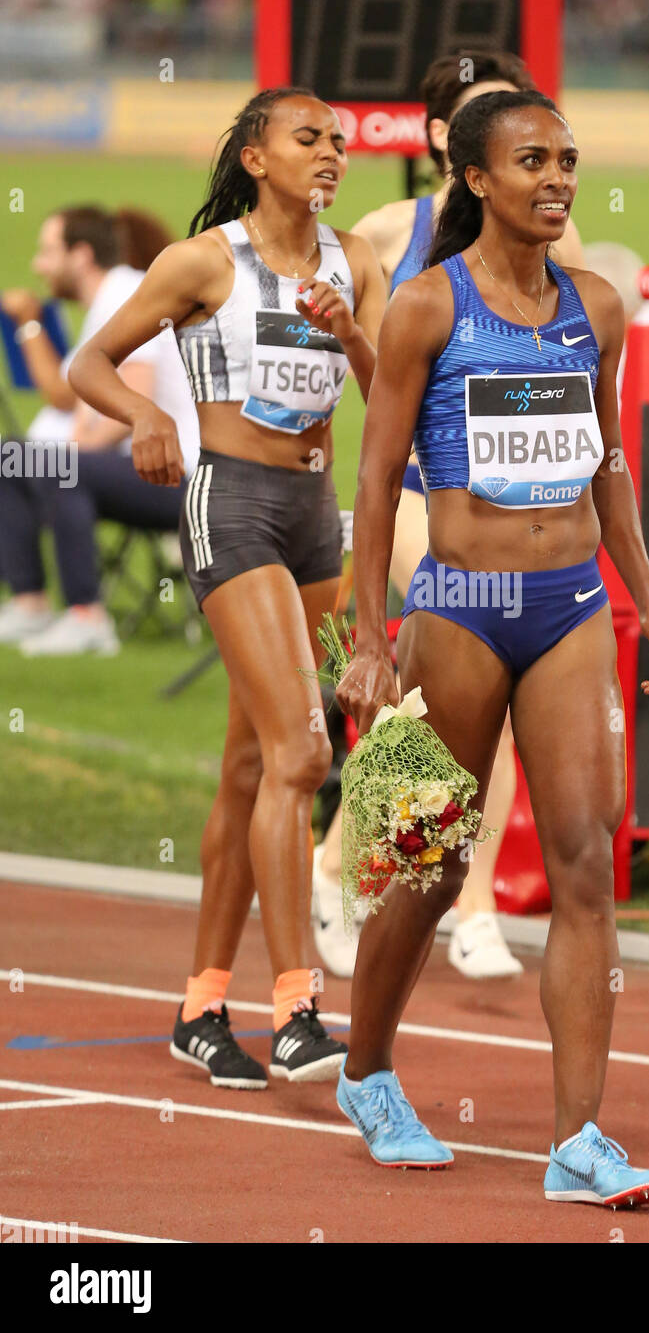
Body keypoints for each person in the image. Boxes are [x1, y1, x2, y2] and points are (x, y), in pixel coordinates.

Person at [332, 89, 649, 1205]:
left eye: (568, 159)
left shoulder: (597, 306)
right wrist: (364, 636)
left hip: (571, 604)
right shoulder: (427, 309)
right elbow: (377, 475)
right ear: (474, 178)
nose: (557, 178)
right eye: (532, 159)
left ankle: (577, 1140)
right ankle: (368, 1069)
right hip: (461, 603)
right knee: (428, 862)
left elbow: (609, 466)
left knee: (584, 861)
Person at [68, 87, 386, 1089]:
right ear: (255, 157)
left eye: (339, 140)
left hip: (315, 518)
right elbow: (91, 362)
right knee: (302, 747)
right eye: (308, 139)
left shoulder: (356, 262)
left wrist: (351, 336)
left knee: (254, 766)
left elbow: (392, 400)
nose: (332, 153)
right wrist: (147, 420)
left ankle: (202, 1002)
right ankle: (297, 1008)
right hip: (233, 507)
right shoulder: (206, 261)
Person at [313, 51, 586, 980]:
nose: (528, 152)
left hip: (517, 502)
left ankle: (409, 886)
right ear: (447, 142)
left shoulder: (561, 234)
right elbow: (358, 370)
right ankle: (437, 901)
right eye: (488, 120)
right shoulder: (391, 232)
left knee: (456, 708)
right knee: (445, 697)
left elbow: (579, 348)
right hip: (424, 493)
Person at [0, 206, 199, 655]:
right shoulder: (109, 298)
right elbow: (65, 395)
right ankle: (30, 602)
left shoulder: (125, 293)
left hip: (182, 474)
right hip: (141, 467)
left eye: (48, 251)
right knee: (11, 458)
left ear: (83, 256)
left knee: (60, 466)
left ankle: (87, 616)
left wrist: (70, 452)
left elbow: (136, 398)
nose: (36, 264)